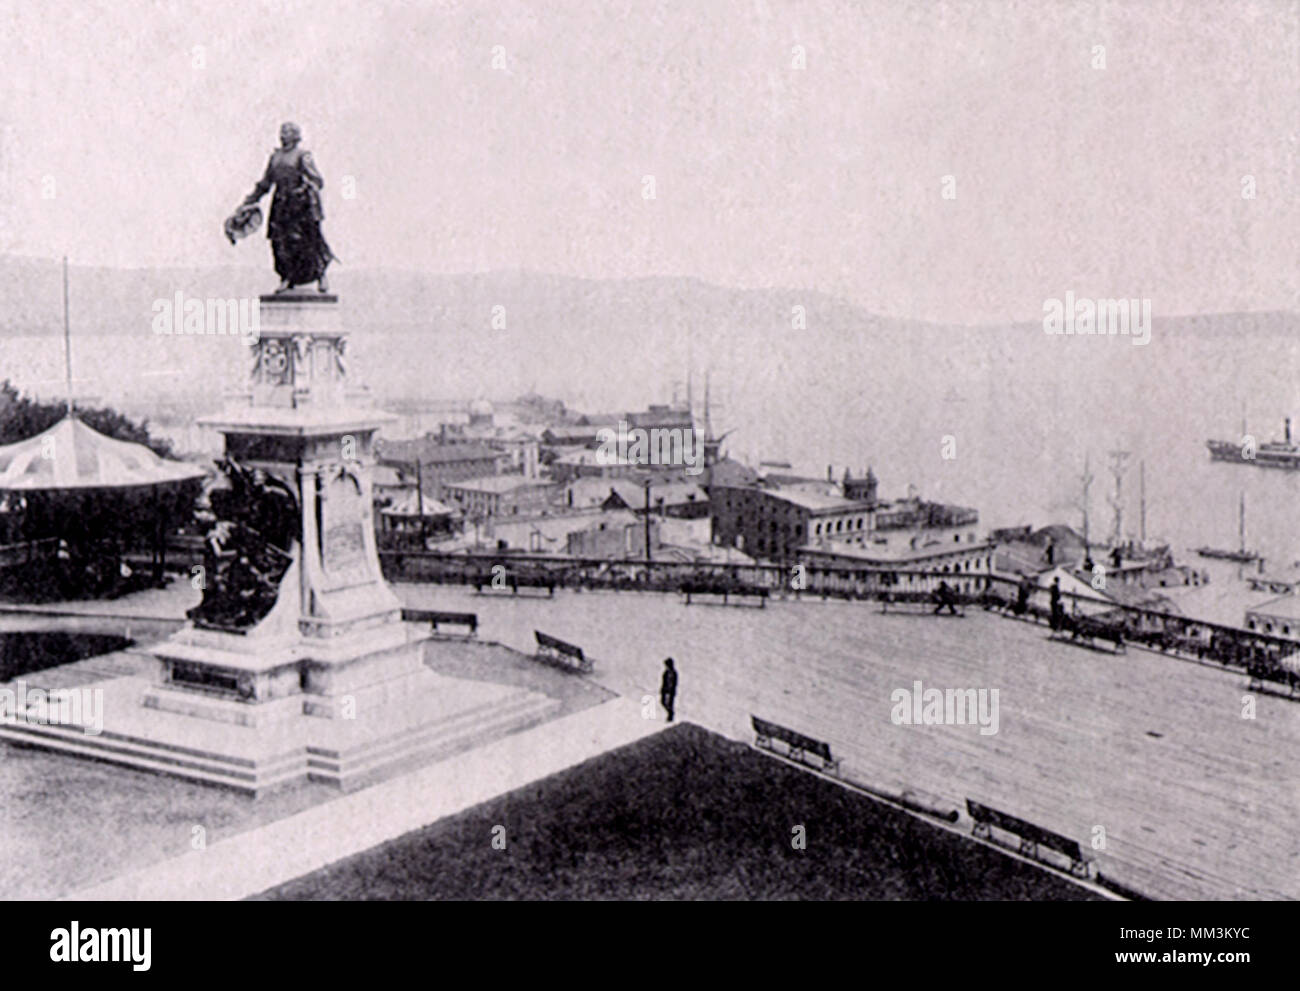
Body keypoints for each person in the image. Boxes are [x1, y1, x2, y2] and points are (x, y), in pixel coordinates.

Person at [235, 122, 335, 293]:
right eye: (281, 132)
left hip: (301, 205)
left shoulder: (303, 156)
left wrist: (306, 187)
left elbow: (318, 180)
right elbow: (265, 183)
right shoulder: (275, 157)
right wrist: (248, 201)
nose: (282, 135)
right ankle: (286, 277)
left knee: (308, 241)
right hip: (281, 204)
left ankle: (320, 275)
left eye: (287, 132)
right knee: (280, 242)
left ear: (295, 135)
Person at [660, 657, 678, 723]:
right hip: (665, 690)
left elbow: (674, 683)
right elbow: (664, 681)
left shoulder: (673, 673)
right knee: (663, 702)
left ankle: (670, 716)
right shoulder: (666, 672)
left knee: (670, 704)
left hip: (670, 691)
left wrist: (670, 690)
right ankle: (670, 713)